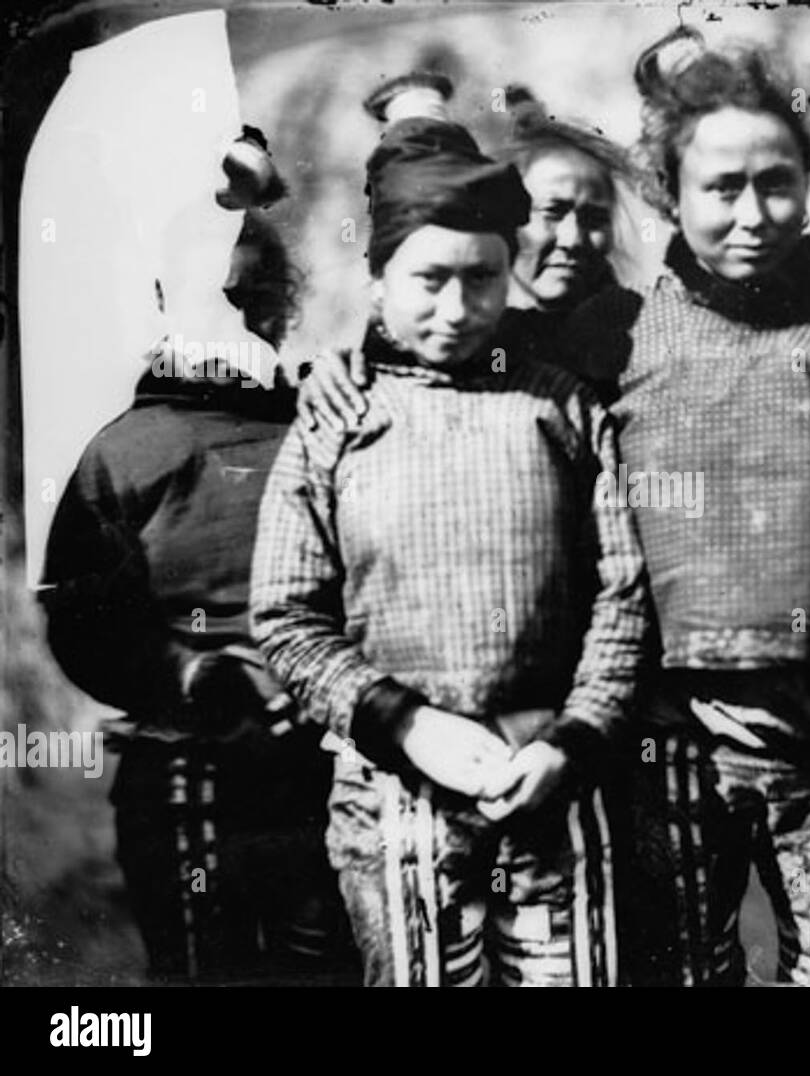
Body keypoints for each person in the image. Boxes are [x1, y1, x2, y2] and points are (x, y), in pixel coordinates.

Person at [556, 29, 810, 987]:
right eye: (721, 188)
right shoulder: (618, 332)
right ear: (669, 194)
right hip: (664, 739)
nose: (753, 214)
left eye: (778, 182)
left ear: (809, 180)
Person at [249, 115, 649, 987]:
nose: (458, 308)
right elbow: (284, 614)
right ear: (381, 273)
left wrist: (574, 739)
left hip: (553, 786)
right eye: (429, 278)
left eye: (483, 278)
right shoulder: (335, 414)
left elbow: (624, 593)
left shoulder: (564, 409)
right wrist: (409, 724)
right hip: (397, 797)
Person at [41, 210, 356, 983]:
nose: (234, 320)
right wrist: (192, 672)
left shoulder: (328, 433)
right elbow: (80, 620)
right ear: (164, 306)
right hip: (188, 778)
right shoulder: (123, 453)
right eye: (211, 300)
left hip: (323, 773)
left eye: (253, 301)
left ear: (281, 308)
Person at [300, 74, 627, 428]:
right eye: (551, 212)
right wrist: (333, 375)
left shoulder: (634, 331)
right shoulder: (448, 327)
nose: (573, 238)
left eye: (595, 218)